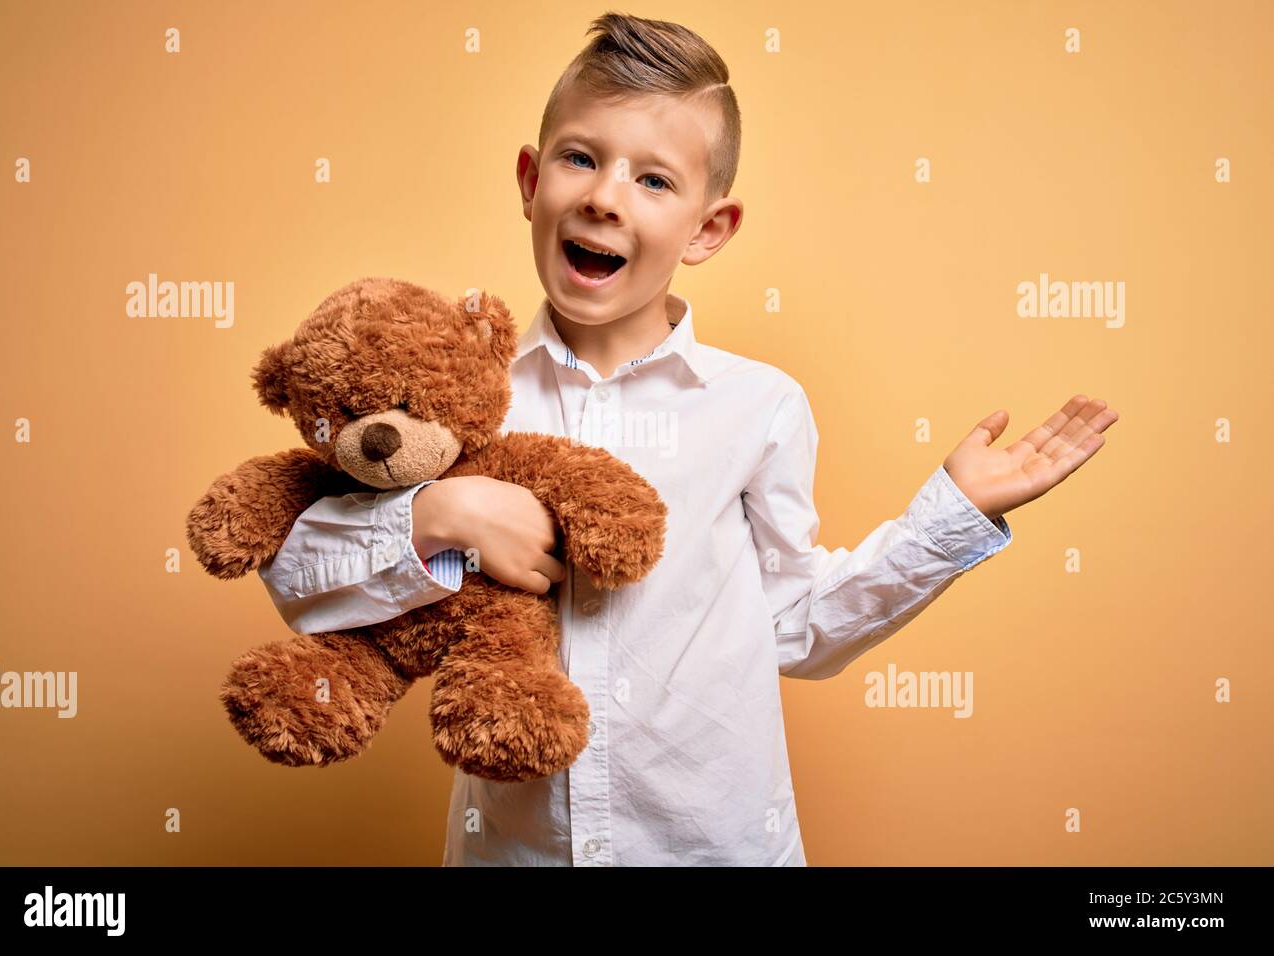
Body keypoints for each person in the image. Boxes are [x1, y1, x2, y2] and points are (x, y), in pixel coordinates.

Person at [258, 12, 1118, 866]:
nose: (604, 196)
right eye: (581, 158)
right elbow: (302, 584)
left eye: (654, 181)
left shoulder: (760, 408)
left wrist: (949, 519)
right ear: (531, 178)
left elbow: (792, 627)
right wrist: (443, 512)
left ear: (709, 229)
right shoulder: (442, 406)